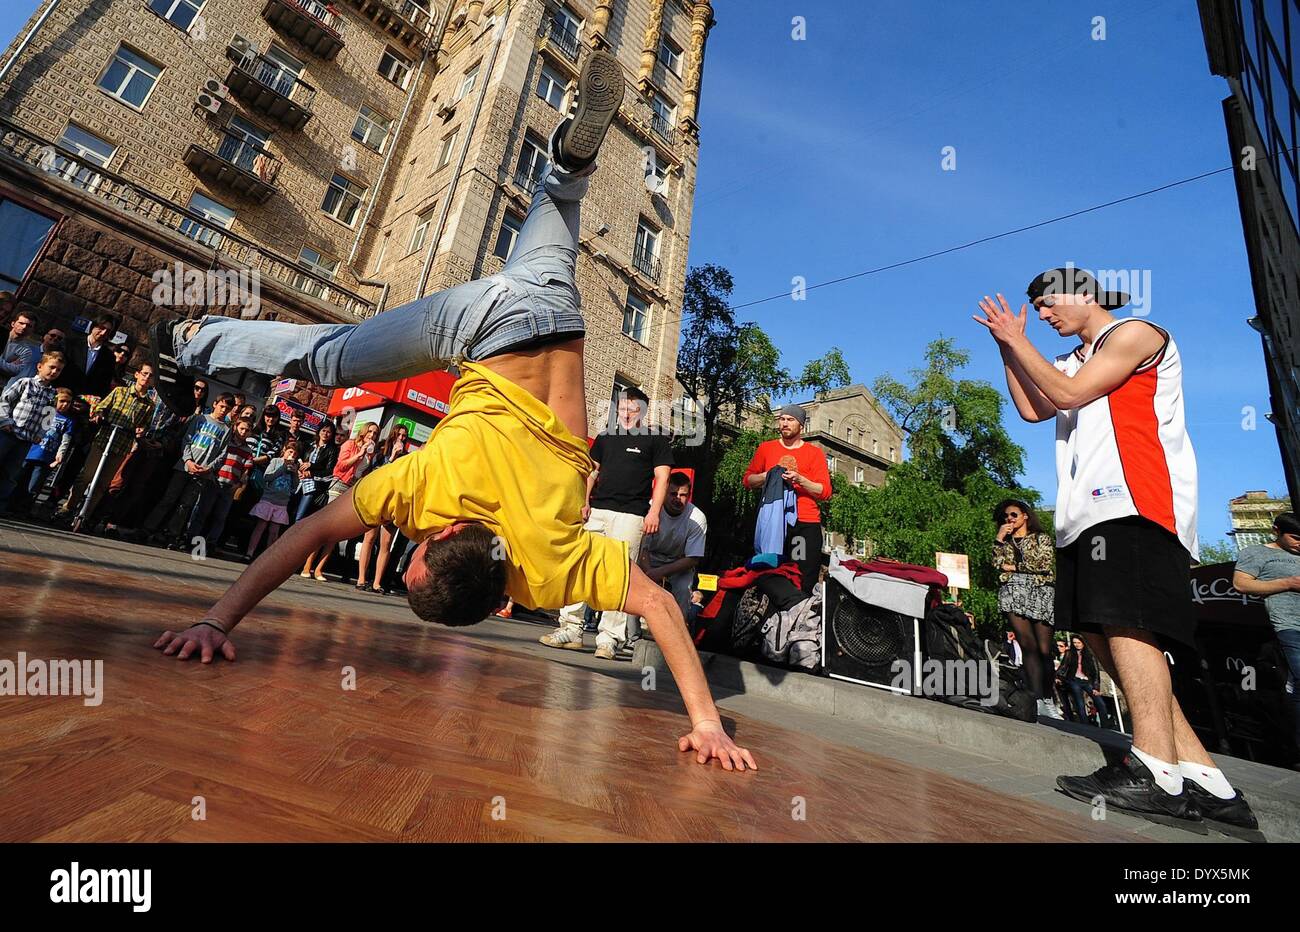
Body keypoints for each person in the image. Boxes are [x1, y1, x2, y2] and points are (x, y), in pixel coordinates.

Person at [151, 52, 755, 771]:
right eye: (416, 559)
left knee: (554, 201)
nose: (410, 548)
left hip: (560, 315)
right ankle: (193, 340)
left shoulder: (552, 571)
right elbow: (300, 538)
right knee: (328, 356)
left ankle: (570, 163)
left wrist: (707, 722)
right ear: (445, 538)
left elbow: (658, 607)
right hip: (481, 329)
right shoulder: (421, 495)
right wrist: (217, 619)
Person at [977, 268, 1256, 834]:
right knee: (1104, 635)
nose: (1045, 314)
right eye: (1037, 308)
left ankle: (1154, 770)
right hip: (1084, 516)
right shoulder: (1068, 362)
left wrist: (1018, 340)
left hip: (1136, 503)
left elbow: (1071, 396)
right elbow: (1035, 408)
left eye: (1049, 302)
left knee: (1129, 628)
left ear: (1086, 294)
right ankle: (1208, 783)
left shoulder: (1137, 334)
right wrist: (1008, 346)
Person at [542, 386, 673, 660]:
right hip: (597, 511)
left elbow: (662, 478)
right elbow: (591, 471)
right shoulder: (605, 437)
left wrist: (654, 512)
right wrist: (583, 501)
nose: (626, 413)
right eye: (622, 408)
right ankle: (570, 629)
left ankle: (609, 639)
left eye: (632, 409)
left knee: (620, 576)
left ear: (643, 412)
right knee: (580, 566)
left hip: (632, 515)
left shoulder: (655, 441)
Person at [1232, 511, 1300, 764]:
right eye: (1295, 538)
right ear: (1276, 531)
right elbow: (1241, 584)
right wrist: (1289, 583)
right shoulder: (1257, 553)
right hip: (1290, 624)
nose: (1299, 543)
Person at [742, 404, 832, 594]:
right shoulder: (766, 448)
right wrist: (767, 476)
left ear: (801, 425)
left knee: (802, 574)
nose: (784, 423)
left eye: (790, 420)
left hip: (803, 523)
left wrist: (800, 480)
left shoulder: (814, 453)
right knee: (770, 571)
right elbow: (748, 480)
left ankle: (802, 617)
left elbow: (824, 491)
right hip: (774, 522)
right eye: (782, 419)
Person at [57, 360, 154, 526]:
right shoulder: (119, 392)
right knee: (86, 477)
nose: (147, 378)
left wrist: (141, 430)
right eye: (144, 373)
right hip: (104, 439)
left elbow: (144, 425)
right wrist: (99, 414)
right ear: (137, 375)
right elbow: (101, 407)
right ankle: (68, 507)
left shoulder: (149, 405)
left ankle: (85, 514)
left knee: (103, 484)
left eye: (150, 376)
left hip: (122, 444)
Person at [991, 498, 1061, 719]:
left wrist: (1012, 566)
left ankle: (1048, 697)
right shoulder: (1005, 541)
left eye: (1013, 515)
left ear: (1025, 516)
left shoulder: (1041, 538)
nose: (1009, 519)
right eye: (1005, 516)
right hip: (1013, 592)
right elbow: (995, 564)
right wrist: (999, 539)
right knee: (1027, 646)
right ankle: (1036, 698)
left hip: (1041, 592)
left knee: (1043, 649)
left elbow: (1043, 564)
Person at [143, 393, 234, 549]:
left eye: (227, 408)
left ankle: (171, 533)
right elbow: (186, 439)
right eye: (222, 406)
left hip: (203, 473)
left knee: (186, 504)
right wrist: (188, 460)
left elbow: (222, 453)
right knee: (169, 498)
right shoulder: (200, 419)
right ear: (215, 404)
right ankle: (148, 528)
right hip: (184, 467)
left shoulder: (226, 429)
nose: (223, 410)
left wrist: (209, 468)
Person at [302, 421, 378, 579]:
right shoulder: (350, 444)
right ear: (364, 432)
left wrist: (368, 458)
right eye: (370, 431)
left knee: (337, 532)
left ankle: (319, 569)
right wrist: (359, 454)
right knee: (326, 527)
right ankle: (307, 566)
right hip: (339, 485)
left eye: (375, 433)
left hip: (352, 489)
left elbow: (363, 474)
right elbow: (340, 466)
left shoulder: (372, 452)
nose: (372, 435)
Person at [636, 471, 708, 620]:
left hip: (678, 564)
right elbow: (641, 546)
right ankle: (630, 633)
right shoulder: (651, 509)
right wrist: (650, 572)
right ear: (664, 492)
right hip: (648, 559)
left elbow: (693, 559)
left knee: (682, 590)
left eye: (682, 495)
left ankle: (678, 631)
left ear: (688, 495)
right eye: (673, 494)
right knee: (633, 584)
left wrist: (660, 572)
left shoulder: (697, 518)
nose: (677, 499)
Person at [0, 351, 65, 511]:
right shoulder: (25, 383)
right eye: (51, 367)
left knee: (11, 473)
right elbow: (5, 401)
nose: (54, 372)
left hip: (27, 440)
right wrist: (5, 421)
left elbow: (48, 418)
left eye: (58, 370)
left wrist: (40, 435)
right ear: (40, 366)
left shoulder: (53, 394)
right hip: (9, 432)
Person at [355, 425, 411, 593]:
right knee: (369, 539)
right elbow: (374, 473)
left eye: (404, 436)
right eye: (399, 434)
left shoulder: (407, 457)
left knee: (386, 543)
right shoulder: (381, 452)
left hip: (393, 504)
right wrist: (392, 457)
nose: (401, 438)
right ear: (393, 435)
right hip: (377, 500)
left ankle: (377, 582)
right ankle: (361, 579)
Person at [12, 386, 76, 515]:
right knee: (17, 478)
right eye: (62, 401)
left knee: (33, 485)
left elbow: (66, 439)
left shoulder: (69, 421)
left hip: (46, 456)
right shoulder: (47, 412)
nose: (65, 405)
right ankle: (10, 503)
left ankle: (23, 509)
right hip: (30, 452)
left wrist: (60, 454)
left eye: (68, 402)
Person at [202, 416, 255, 551]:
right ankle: (193, 538)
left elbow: (246, 471)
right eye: (241, 428)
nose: (243, 432)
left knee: (220, 516)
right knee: (203, 511)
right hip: (215, 481)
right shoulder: (226, 443)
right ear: (235, 427)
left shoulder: (248, 451)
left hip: (231, 486)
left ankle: (211, 543)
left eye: (247, 430)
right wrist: (211, 475)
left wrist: (238, 485)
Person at [246, 439, 299, 560]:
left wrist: (295, 473)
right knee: (261, 526)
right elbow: (267, 477)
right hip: (269, 499)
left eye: (295, 454)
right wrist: (282, 468)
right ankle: (249, 552)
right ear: (284, 451)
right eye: (290, 452)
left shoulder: (294, 467)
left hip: (282, 503)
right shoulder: (276, 461)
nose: (292, 455)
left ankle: (268, 558)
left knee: (274, 531)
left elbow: (295, 486)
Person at [1056, 635, 1112, 727]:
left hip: (1087, 681)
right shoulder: (1069, 653)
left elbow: (1095, 671)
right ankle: (1085, 725)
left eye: (1078, 643)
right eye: (1074, 643)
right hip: (1074, 680)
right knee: (1080, 703)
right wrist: (1058, 677)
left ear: (1083, 643)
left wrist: (1096, 687)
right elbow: (1063, 666)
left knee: (1100, 703)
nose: (1077, 645)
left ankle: (1105, 726)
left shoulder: (1090, 654)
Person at [57, 315, 118, 398]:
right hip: (60, 394)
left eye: (108, 331)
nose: (103, 333)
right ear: (93, 326)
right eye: (101, 328)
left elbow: (104, 385)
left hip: (84, 403)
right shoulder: (70, 344)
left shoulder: (109, 357)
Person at [1, 308, 39, 389]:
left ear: (33, 330)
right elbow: (10, 368)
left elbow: (14, 371)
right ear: (13, 323)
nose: (24, 327)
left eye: (29, 326)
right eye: (21, 323)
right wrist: (7, 365)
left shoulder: (26, 351)